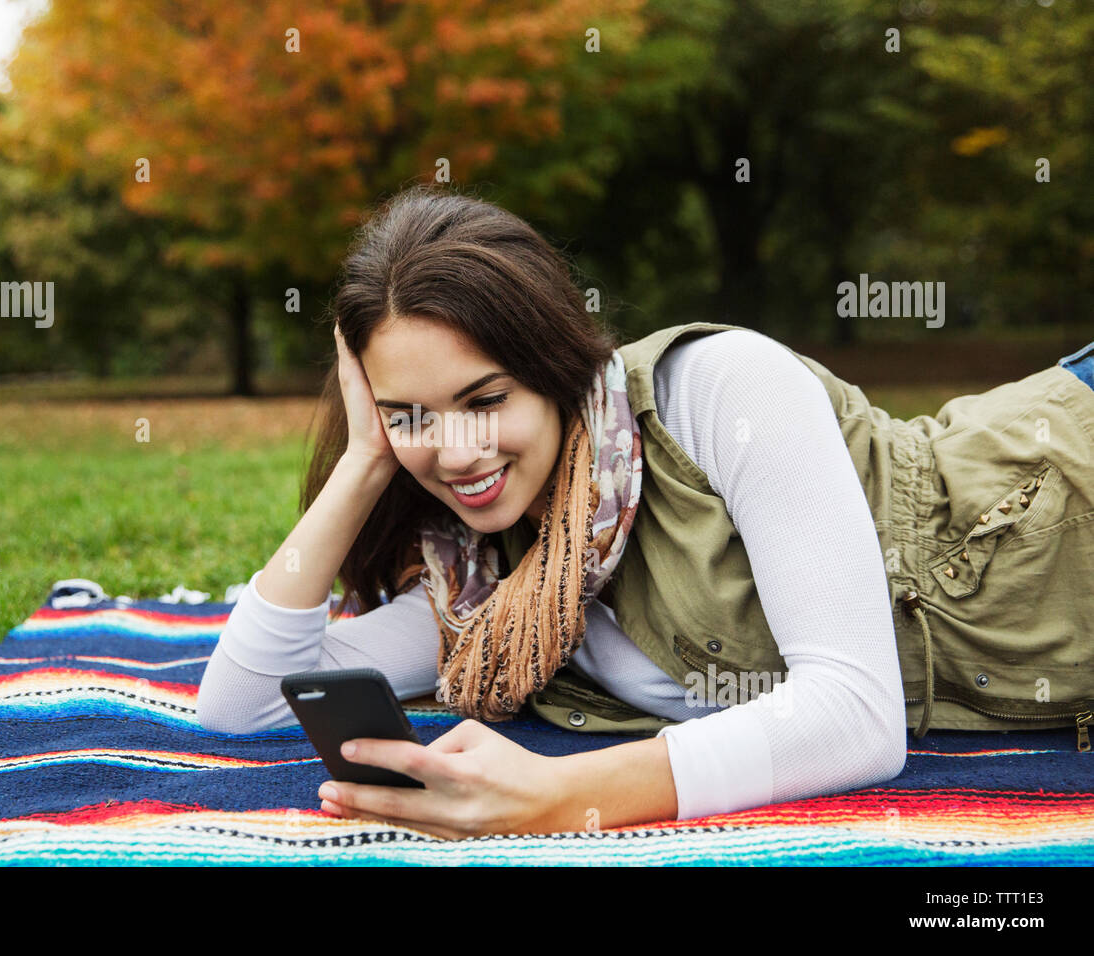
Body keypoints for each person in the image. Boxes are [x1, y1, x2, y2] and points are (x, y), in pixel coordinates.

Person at [197, 185, 1094, 840]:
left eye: (485, 396)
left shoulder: (718, 389)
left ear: (551, 367)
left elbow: (858, 716)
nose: (457, 451)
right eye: (411, 415)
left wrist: (558, 797)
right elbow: (239, 709)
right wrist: (363, 463)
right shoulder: (491, 596)